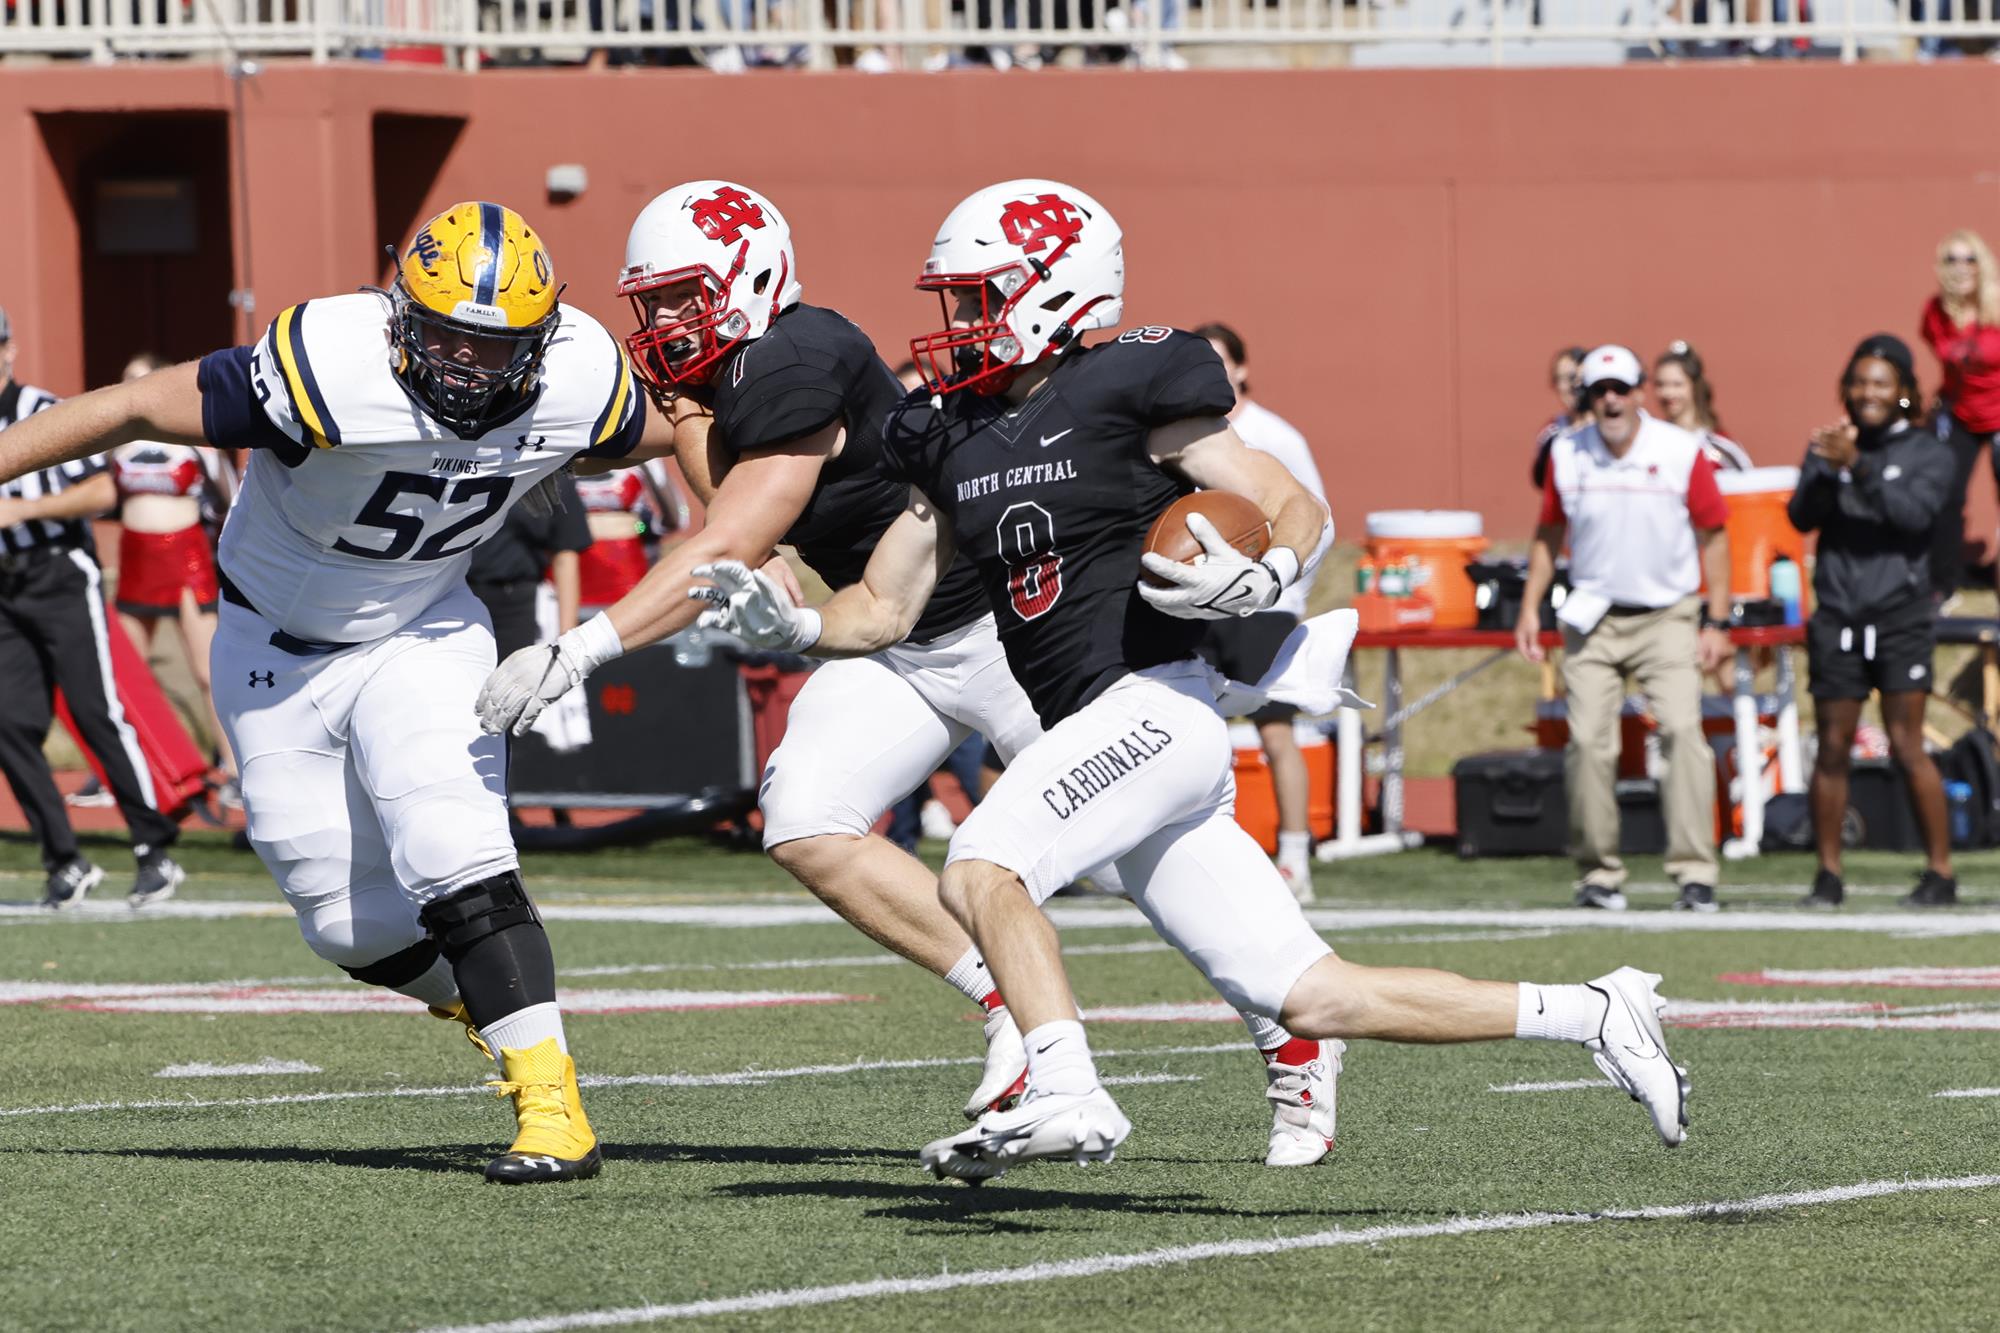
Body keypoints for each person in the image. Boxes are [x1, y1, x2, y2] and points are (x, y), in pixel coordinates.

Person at [693, 180, 1690, 1181]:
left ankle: (1067, 1088)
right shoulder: (944, 432)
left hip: (1155, 704)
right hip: (1103, 729)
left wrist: (1268, 569)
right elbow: (886, 604)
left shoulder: (1126, 384)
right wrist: (799, 624)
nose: (957, 321)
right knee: (1312, 994)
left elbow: (1286, 499)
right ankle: (1594, 1010)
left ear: (1054, 289)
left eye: (976, 295)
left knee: (981, 864)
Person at [475, 180, 1344, 1169]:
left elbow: (736, 533)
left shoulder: (795, 355)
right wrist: (508, 442)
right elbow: (657, 449)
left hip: (1007, 632)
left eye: (682, 295)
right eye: (654, 301)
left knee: (1146, 857)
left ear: (746, 278)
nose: (665, 320)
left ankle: (1291, 1027)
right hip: (888, 637)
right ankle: (1006, 1005)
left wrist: (576, 650)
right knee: (804, 816)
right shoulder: (725, 379)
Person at [0, 204, 639, 1183]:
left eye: (498, 345)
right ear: (399, 313)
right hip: (270, 645)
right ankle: (486, 998)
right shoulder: (329, 364)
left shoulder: (581, 376)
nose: (470, 366)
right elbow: (131, 408)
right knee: (346, 921)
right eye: (447, 337)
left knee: (452, 843)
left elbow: (678, 434)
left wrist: (749, 526)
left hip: (423, 627)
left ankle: (551, 1106)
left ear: (542, 337)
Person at [1516, 344, 1733, 913]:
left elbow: (1714, 534)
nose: (1611, 401)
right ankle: (1598, 874)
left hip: (1667, 614)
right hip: (1594, 618)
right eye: (1599, 392)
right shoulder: (1567, 453)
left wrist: (1717, 618)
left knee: (1683, 731)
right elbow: (1548, 535)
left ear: (1639, 393)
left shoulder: (1680, 450)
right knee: (1588, 742)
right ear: (1587, 399)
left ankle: (1695, 872)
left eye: (1620, 389)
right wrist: (1530, 607)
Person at [0, 307, 185, 909]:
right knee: (9, 723)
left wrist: (26, 511)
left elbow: (106, 488)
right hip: (4, 587)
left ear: (9, 350)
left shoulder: (43, 412)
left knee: (95, 709)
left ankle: (154, 849)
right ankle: (64, 860)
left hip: (58, 573)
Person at [1786, 334, 1958, 909]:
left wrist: (1857, 466)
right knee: (1833, 746)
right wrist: (1826, 468)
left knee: (1907, 744)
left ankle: (1940, 871)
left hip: (1899, 616)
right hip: (1838, 614)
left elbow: (1913, 516)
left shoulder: (1928, 452)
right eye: (1859, 382)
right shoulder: (1832, 446)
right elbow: (1801, 517)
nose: (1868, 393)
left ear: (1905, 391)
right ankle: (1828, 873)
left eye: (1881, 383)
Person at [1191, 320, 1330, 903]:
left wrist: (1283, 590)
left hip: (1264, 607)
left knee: (1276, 730)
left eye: (1219, 361)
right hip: (1199, 603)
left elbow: (1316, 517)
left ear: (1242, 368)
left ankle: (1294, 854)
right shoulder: (1184, 433)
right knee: (1191, 733)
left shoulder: (1275, 435)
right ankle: (1194, 857)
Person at [110, 352, 238, 792]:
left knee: (208, 670)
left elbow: (230, 497)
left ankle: (233, 768)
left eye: (139, 379)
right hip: (135, 557)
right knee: (122, 672)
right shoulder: (116, 440)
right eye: (125, 379)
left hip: (186, 556)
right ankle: (121, 767)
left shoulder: (193, 436)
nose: (129, 387)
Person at [1918, 229, 2000, 610]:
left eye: (1969, 258)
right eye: (1952, 258)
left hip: (1998, 413)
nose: (1961, 267)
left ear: (1982, 264)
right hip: (1961, 414)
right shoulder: (1936, 313)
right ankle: (1943, 585)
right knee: (1946, 495)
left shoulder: (1995, 307)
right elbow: (1948, 361)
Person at [466, 470, 589, 662]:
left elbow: (565, 554)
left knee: (515, 676)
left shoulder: (552, 473)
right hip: (460, 597)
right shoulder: (466, 467)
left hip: (519, 605)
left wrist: (567, 638)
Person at [1652, 342, 1753, 471]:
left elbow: (1746, 480)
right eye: (1660, 385)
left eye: (1677, 384)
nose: (1667, 393)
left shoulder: (1719, 447)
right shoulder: (1651, 441)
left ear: (1695, 387)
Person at [1530, 345, 1589, 489]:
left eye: (1574, 377)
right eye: (1562, 379)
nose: (1572, 386)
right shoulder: (1552, 434)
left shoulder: (1613, 425)